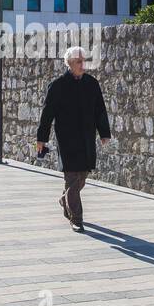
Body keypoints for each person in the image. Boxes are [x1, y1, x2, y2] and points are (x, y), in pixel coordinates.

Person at [36, 46, 112, 233]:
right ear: (69, 63)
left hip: (86, 138)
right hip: (67, 139)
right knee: (71, 180)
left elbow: (99, 109)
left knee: (82, 179)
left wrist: (104, 133)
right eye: (78, 61)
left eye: (83, 61)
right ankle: (76, 219)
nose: (82, 64)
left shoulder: (92, 83)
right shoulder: (58, 85)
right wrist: (41, 138)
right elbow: (47, 114)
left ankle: (64, 200)